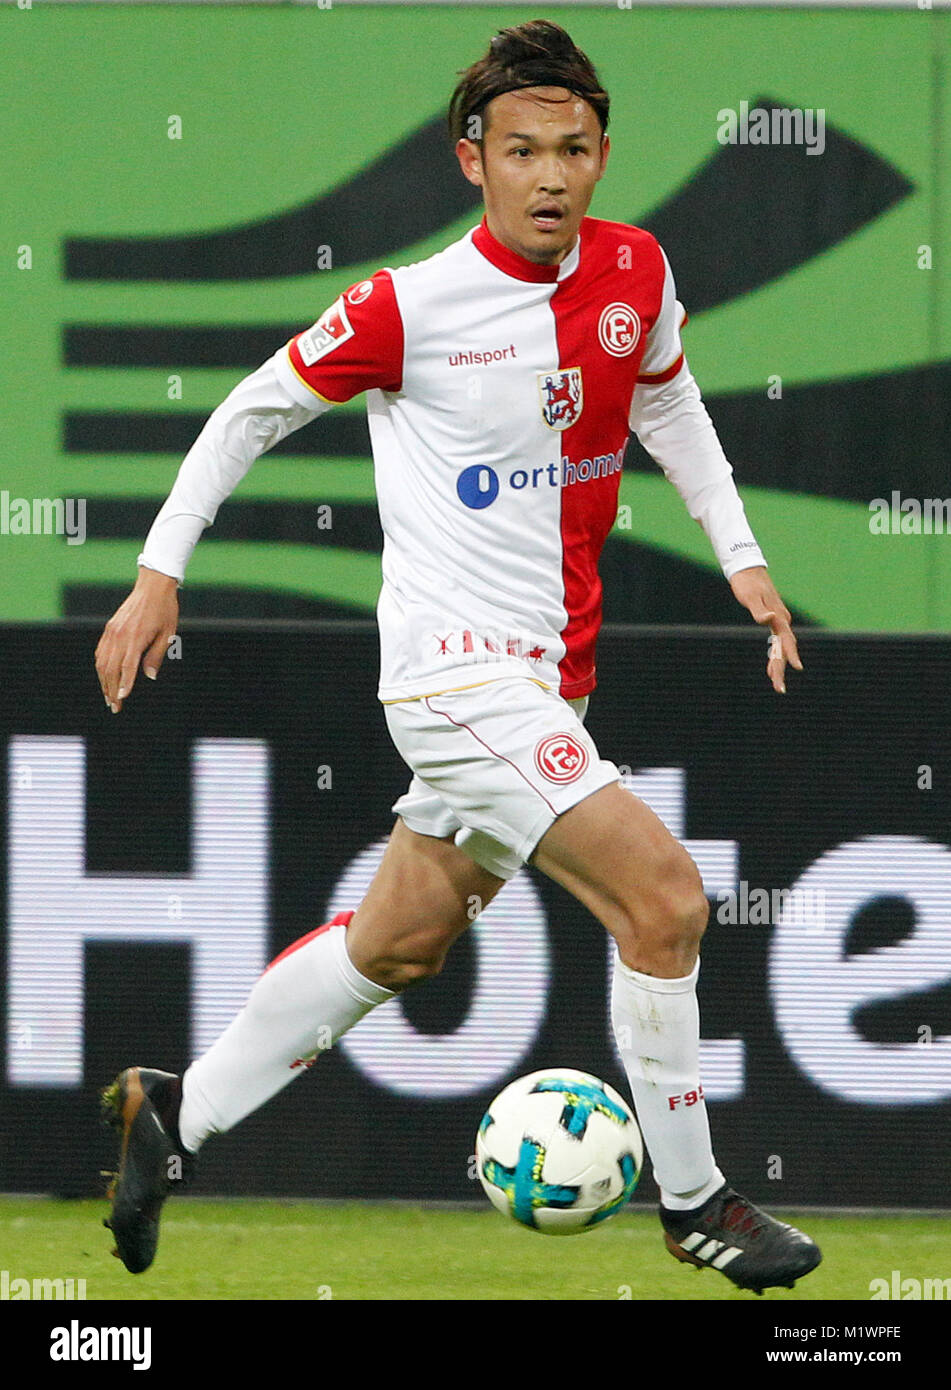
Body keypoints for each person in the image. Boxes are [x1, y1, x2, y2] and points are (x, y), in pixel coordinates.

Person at [94, 19, 818, 1295]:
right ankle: (696, 1200)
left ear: (603, 158)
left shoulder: (635, 271)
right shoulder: (408, 307)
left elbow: (667, 398)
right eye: (522, 150)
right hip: (452, 679)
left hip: (549, 681)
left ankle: (175, 1111)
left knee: (401, 942)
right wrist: (160, 570)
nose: (551, 176)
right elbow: (253, 408)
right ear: (472, 159)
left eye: (574, 150)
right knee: (664, 901)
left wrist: (743, 556)